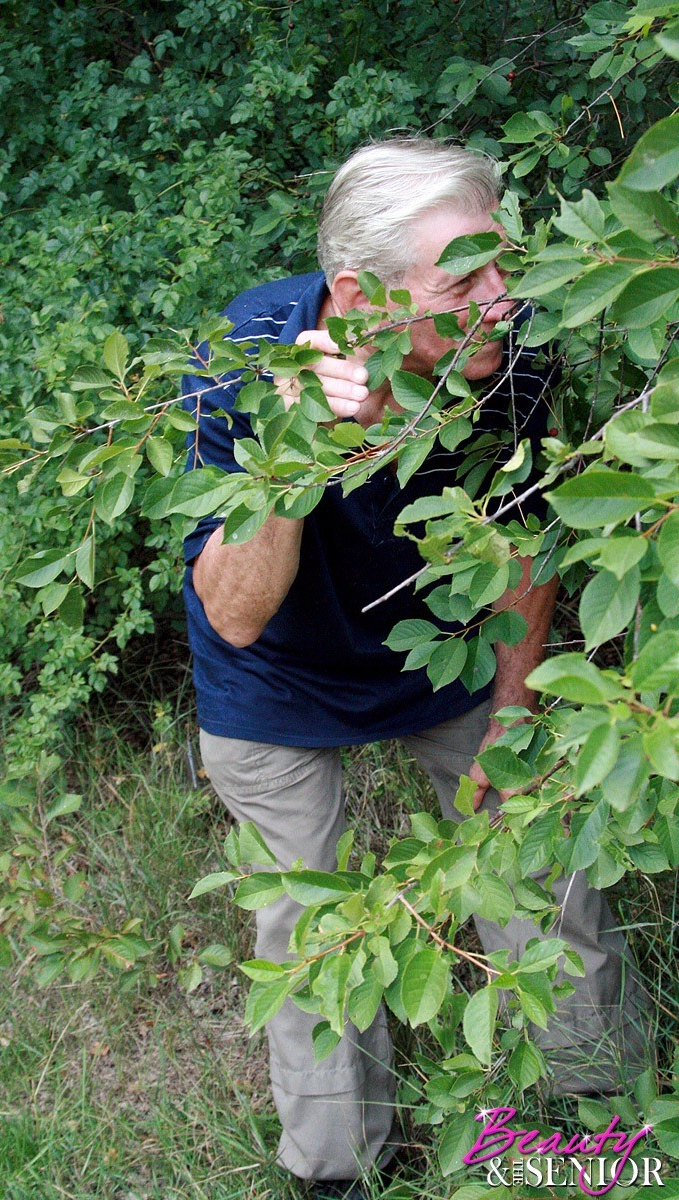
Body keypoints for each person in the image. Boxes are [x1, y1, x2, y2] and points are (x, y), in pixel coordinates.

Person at [181, 139, 649, 1200]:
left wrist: (509, 719)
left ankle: (603, 1125)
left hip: (445, 650)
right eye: (463, 279)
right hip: (279, 675)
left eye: (502, 264)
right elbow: (236, 613)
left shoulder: (517, 350)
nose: (501, 297)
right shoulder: (249, 352)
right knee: (308, 926)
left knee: (530, 856)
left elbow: (527, 544)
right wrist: (298, 439)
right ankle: (338, 1173)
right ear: (358, 295)